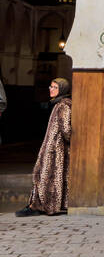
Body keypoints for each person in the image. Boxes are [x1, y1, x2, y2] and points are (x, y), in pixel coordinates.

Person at [15, 77, 71, 218]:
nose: (51, 89)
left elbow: (66, 129)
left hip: (55, 149)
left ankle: (43, 206)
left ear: (62, 90)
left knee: (47, 176)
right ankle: (37, 205)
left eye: (54, 87)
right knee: (42, 175)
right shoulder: (56, 103)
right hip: (50, 147)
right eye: (50, 86)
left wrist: (61, 144)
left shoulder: (63, 105)